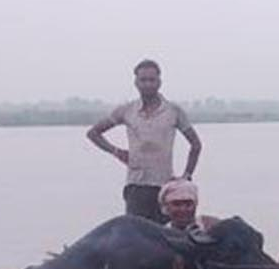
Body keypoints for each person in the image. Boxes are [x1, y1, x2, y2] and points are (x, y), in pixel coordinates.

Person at [87, 59, 202, 221]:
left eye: (152, 80)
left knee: (166, 238)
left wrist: (186, 177)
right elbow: (94, 133)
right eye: (143, 80)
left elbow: (195, 145)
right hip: (136, 187)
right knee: (135, 238)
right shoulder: (127, 110)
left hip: (165, 187)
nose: (148, 84)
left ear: (159, 82)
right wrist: (116, 151)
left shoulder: (173, 111)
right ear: (136, 83)